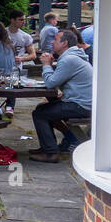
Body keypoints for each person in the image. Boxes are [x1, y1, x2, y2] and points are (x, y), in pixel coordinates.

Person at [29, 29, 93, 163]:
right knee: (43, 109)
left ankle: (51, 153)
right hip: (84, 102)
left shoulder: (69, 59)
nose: (52, 42)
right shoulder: (72, 57)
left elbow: (50, 83)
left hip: (82, 105)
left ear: (64, 43)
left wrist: (46, 65)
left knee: (40, 114)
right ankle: (50, 146)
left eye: (55, 39)